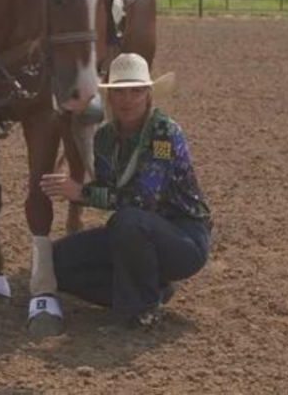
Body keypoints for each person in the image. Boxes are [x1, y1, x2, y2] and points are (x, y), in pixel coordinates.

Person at [40, 53, 212, 329]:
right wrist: (71, 188)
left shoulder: (164, 133)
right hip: (132, 234)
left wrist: (82, 193)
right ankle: (149, 289)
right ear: (110, 97)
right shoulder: (104, 138)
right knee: (55, 260)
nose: (127, 99)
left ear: (148, 94)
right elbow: (109, 189)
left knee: (128, 220)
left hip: (184, 237)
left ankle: (144, 307)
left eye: (136, 91)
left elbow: (144, 198)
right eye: (119, 91)